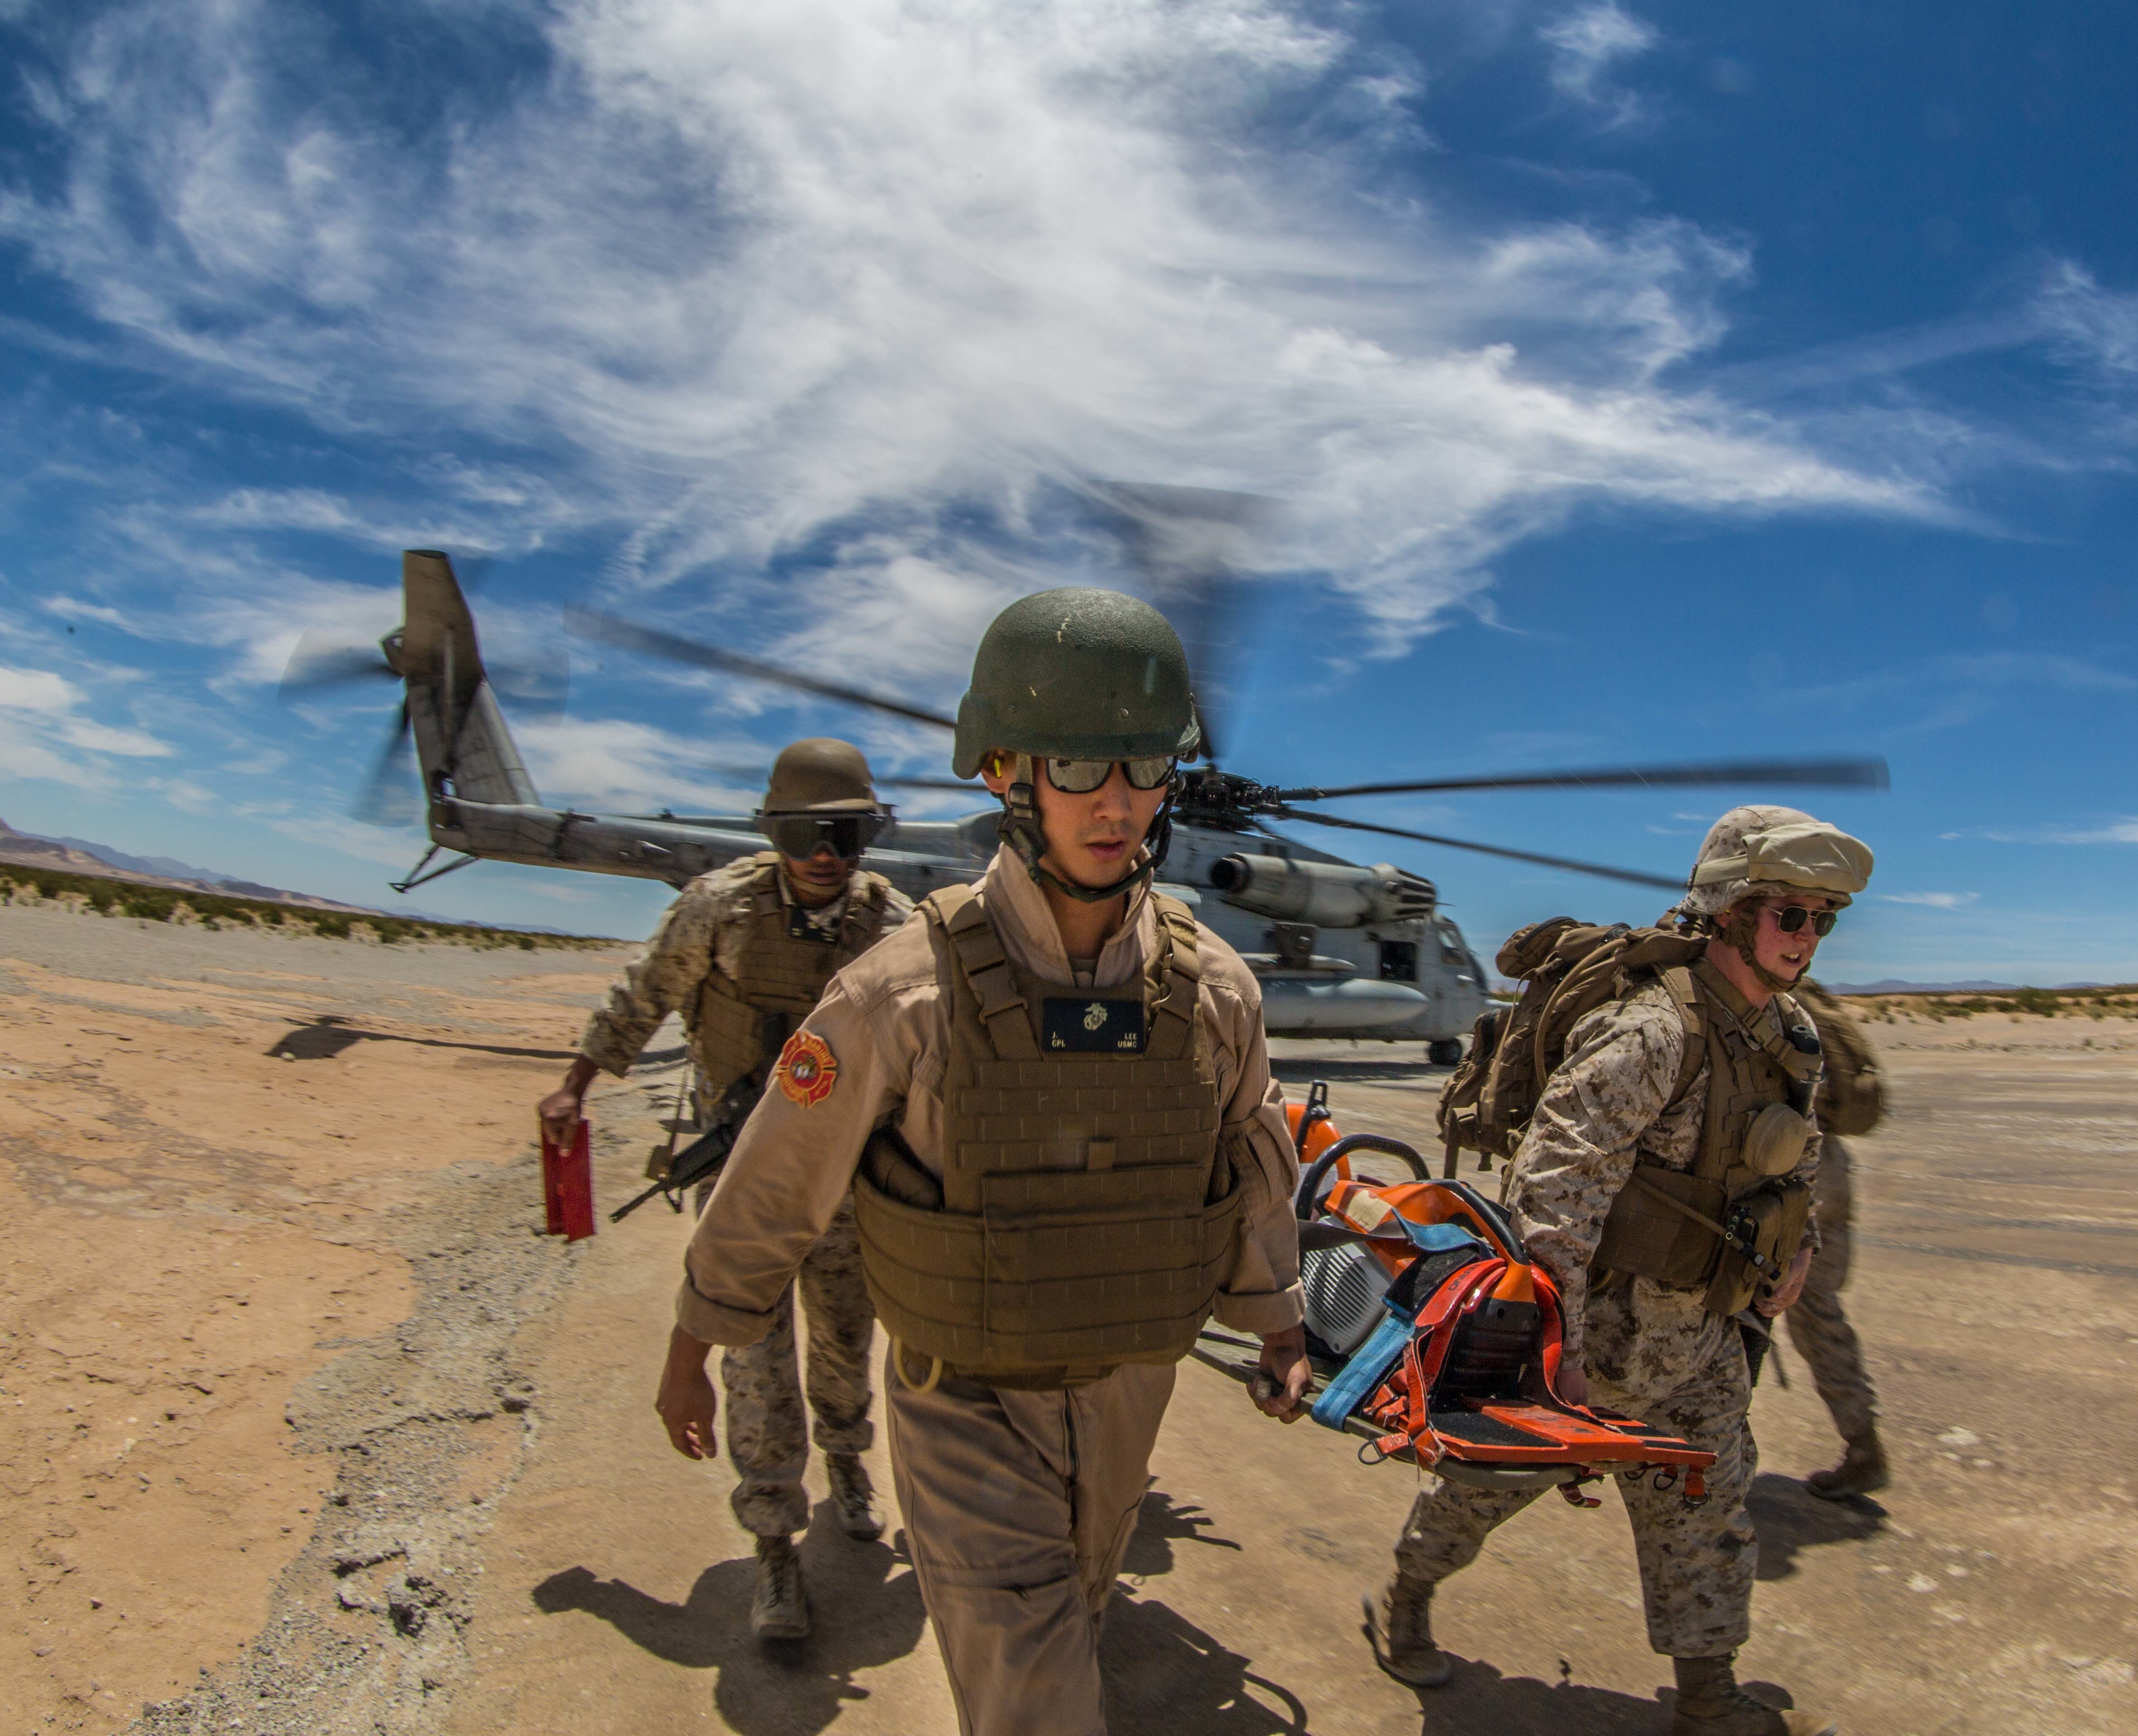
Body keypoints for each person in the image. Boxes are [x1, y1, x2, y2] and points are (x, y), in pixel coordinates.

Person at [654, 588, 1308, 1734]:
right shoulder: (901, 989)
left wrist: (1277, 1318)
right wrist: (696, 1333)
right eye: (1075, 764)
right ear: (1006, 773)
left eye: (1144, 763)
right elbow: (778, 1171)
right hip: (962, 1399)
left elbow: (1249, 1155)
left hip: (1126, 1388)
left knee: (1078, 1617)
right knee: (1038, 1699)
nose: (1116, 803)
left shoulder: (1215, 993)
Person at [1364, 805, 1873, 1736]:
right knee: (1486, 1489)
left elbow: (1798, 1158)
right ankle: (1404, 1597)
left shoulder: (1790, 1037)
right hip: (1599, 1335)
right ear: (1729, 909)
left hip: (1704, 1336)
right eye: (1788, 914)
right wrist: (1550, 1355)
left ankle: (1708, 1697)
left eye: (1821, 919)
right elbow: (1552, 1192)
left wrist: (1795, 1256)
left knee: (1709, 1510)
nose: (1807, 937)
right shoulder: (1650, 1036)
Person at [539, 737, 916, 1638]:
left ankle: (848, 1461)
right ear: (771, 831)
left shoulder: (892, 925)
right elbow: (641, 999)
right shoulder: (720, 908)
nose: (824, 853)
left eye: (844, 833)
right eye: (802, 832)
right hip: (743, 1178)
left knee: (842, 1347)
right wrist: (574, 1085)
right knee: (752, 1364)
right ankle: (776, 1547)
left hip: (846, 1185)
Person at [1783, 972, 1890, 1500]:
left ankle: (1710, 1453)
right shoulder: (1806, 998)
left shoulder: (1758, 1002)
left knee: (1726, 1317)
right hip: (1833, 1170)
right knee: (1819, 1316)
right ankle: (1863, 1442)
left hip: (1795, 1175)